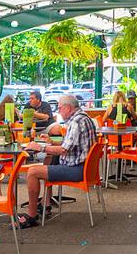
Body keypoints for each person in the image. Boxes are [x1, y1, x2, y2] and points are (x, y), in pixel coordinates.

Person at [17, 94, 98, 227]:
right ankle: (45, 203)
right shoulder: (83, 118)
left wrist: (41, 147)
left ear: (68, 108)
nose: (58, 111)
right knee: (50, 159)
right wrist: (51, 143)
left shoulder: (76, 122)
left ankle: (32, 216)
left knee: (32, 172)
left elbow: (64, 150)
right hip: (86, 167)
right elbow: (70, 146)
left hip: (77, 169)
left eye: (60, 108)